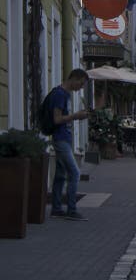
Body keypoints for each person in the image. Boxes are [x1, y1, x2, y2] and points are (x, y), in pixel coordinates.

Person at [48, 68, 90, 220]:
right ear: (75, 78)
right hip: (60, 139)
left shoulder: (65, 94)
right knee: (74, 173)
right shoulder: (60, 94)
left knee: (60, 175)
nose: (80, 87)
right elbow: (57, 119)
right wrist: (76, 116)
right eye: (81, 83)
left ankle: (56, 209)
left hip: (64, 138)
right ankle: (71, 210)